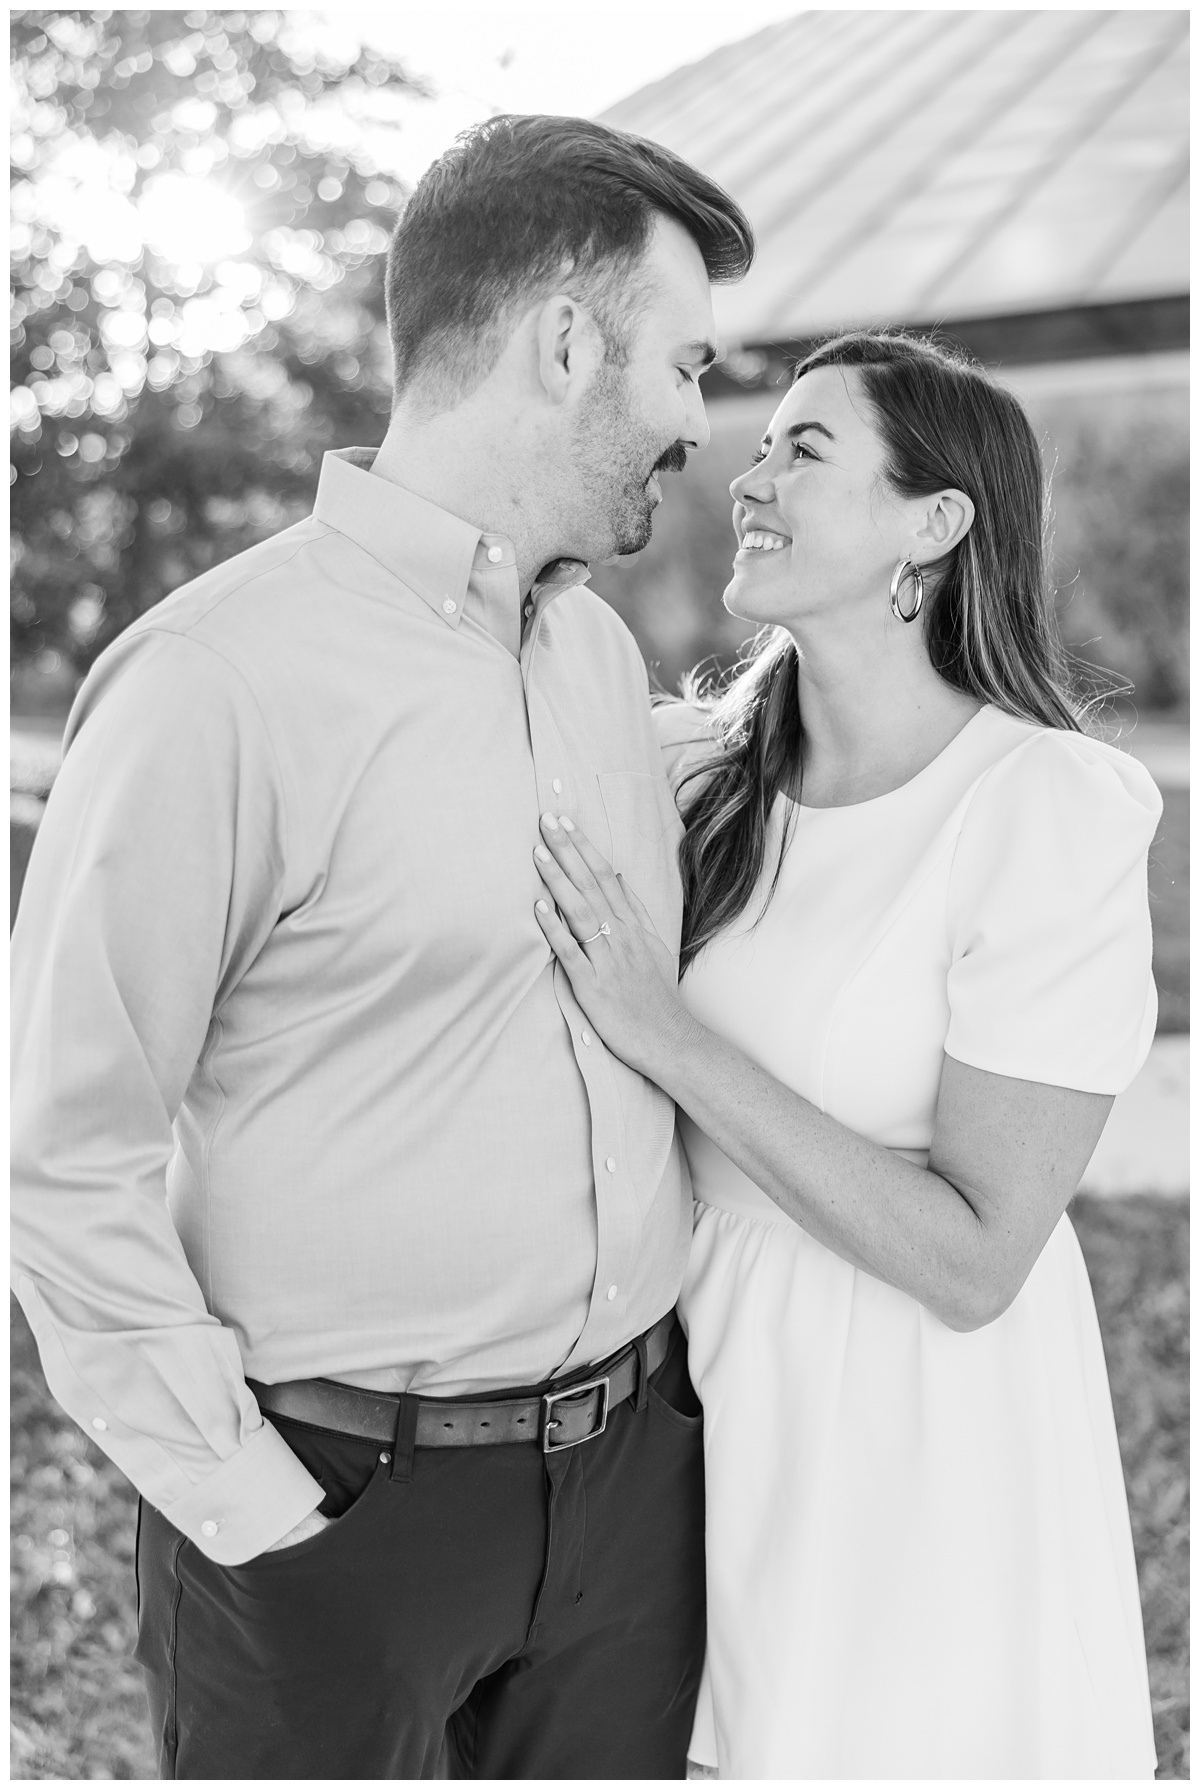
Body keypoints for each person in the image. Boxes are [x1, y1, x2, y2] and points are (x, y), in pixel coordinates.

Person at [10, 115, 754, 1779]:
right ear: (568, 341)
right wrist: (255, 1504)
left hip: (632, 1501)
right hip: (331, 1516)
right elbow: (64, 1154)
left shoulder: (589, 656)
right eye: (686, 366)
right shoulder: (212, 682)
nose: (701, 424)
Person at [529, 331, 1160, 1778]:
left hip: (909, 1428)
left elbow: (976, 1255)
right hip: (687, 1394)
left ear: (934, 524)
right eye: (762, 444)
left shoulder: (1043, 806)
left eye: (805, 449)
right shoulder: (700, 767)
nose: (749, 474)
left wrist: (666, 1034)